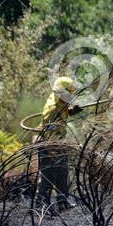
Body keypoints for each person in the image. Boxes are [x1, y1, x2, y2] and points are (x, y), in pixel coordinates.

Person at [32, 74, 82, 210]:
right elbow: (50, 131)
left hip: (57, 142)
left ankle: (62, 201)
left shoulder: (60, 102)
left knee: (62, 172)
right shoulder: (53, 109)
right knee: (48, 174)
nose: (71, 96)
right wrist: (52, 151)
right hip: (48, 143)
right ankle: (41, 204)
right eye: (69, 93)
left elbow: (64, 112)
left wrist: (72, 112)